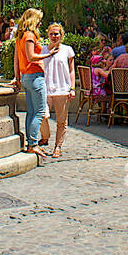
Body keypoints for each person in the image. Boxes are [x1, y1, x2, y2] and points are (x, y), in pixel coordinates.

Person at [11, 8, 56, 156]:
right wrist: (48, 54)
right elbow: (31, 57)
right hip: (35, 77)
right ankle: (33, 144)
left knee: (31, 112)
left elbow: (16, 59)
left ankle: (31, 143)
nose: (41, 22)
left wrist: (17, 78)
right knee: (39, 112)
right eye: (39, 19)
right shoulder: (29, 36)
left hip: (26, 77)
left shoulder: (20, 37)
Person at [40, 22, 75, 158]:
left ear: (61, 35)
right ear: (48, 35)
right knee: (42, 115)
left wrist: (72, 88)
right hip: (46, 89)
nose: (54, 36)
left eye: (57, 34)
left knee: (61, 121)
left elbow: (72, 70)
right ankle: (45, 136)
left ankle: (58, 146)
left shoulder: (67, 50)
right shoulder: (42, 50)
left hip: (62, 89)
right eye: (51, 34)